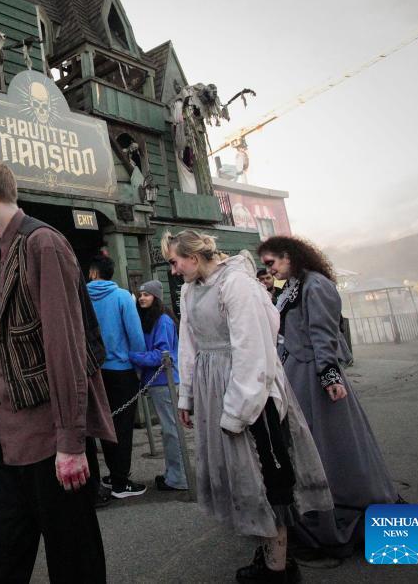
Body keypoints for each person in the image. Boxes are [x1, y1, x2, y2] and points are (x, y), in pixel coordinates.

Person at [0, 161, 114, 583]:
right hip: (9, 444)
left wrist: (70, 440)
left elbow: (65, 347)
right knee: (1, 565)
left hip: (51, 442)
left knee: (75, 564)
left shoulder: (42, 244)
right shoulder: (4, 251)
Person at [165, 229, 332, 583]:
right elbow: (189, 345)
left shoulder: (237, 284)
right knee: (241, 475)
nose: (174, 269)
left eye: (175, 261)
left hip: (247, 388)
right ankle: (272, 552)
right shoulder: (190, 290)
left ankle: (279, 567)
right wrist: (188, 394)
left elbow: (253, 349)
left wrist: (239, 409)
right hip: (213, 386)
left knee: (265, 472)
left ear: (193, 257)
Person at [258, 236, 398, 559]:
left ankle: (348, 507)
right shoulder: (293, 285)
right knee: (309, 447)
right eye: (266, 265)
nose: (271, 269)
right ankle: (313, 507)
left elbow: (323, 334)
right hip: (296, 372)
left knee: (330, 445)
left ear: (290, 256)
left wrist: (329, 375)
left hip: (313, 377)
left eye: (273, 262)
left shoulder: (315, 285)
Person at [87, 254, 149, 499]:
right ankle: (121, 482)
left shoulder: (81, 296)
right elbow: (135, 335)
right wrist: (140, 365)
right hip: (122, 370)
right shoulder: (123, 296)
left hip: (94, 371)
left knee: (103, 424)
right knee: (123, 427)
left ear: (92, 272)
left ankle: (112, 475)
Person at [128, 279, 188, 492]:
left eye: (147, 294)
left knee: (171, 430)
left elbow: (160, 356)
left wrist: (132, 356)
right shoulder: (153, 319)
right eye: (140, 294)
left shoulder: (162, 321)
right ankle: (174, 474)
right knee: (168, 430)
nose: (142, 297)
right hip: (159, 383)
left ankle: (179, 477)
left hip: (165, 382)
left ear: (156, 297)